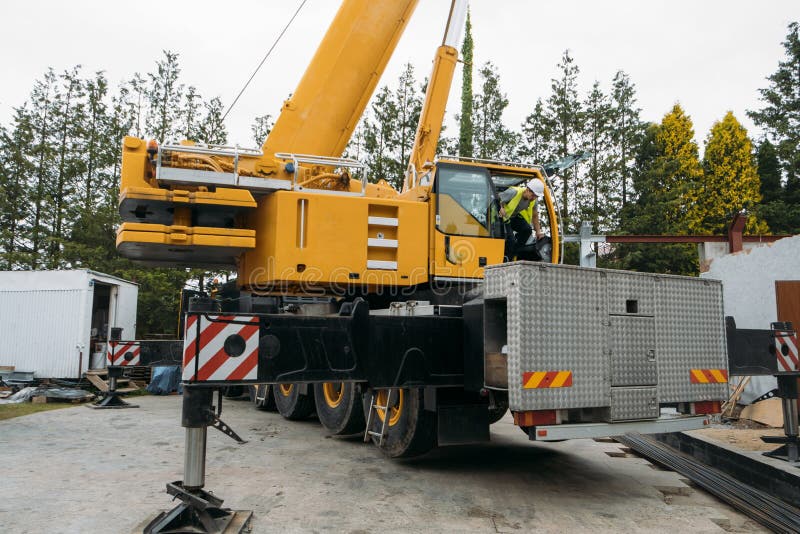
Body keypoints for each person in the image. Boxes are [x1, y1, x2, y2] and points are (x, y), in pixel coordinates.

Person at [498, 179, 545, 253]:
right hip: (502, 218)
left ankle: (515, 252)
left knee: (527, 230)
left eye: (536, 196)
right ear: (527, 189)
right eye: (533, 195)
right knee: (511, 239)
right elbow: (496, 198)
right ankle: (507, 256)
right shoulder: (513, 192)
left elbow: (535, 215)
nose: (533, 198)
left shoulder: (533, 200)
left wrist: (538, 232)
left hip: (513, 217)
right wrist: (500, 207)